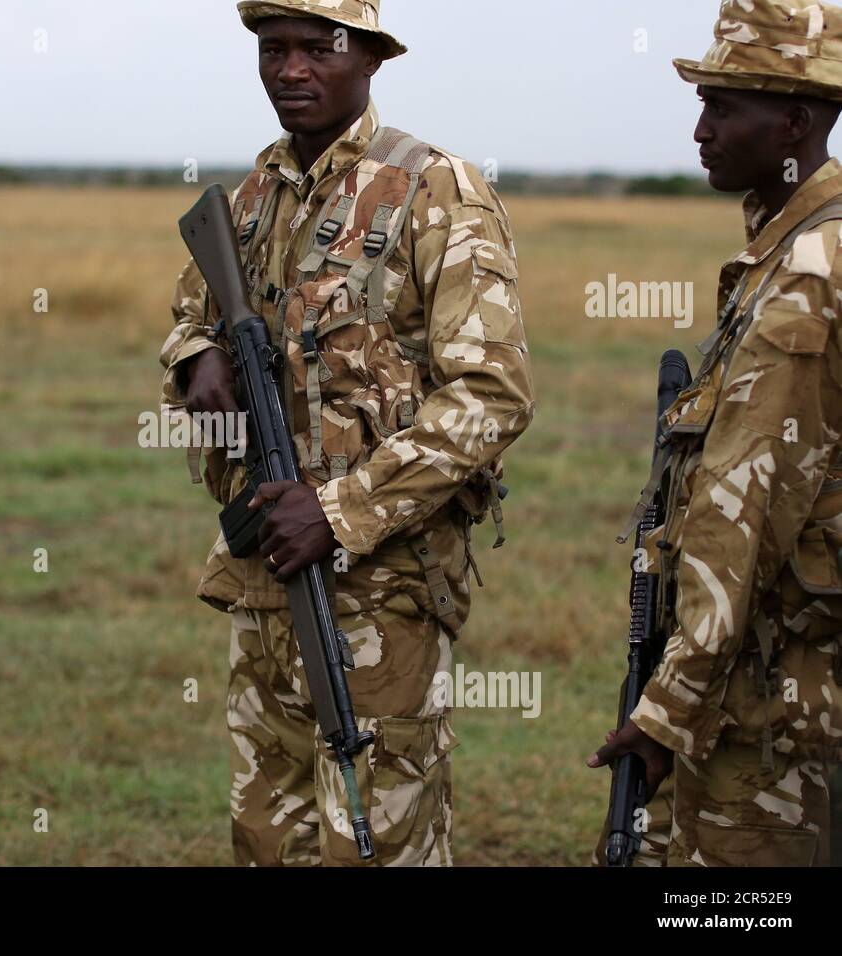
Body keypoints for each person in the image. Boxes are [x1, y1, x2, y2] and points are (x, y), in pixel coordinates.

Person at [160, 0, 534, 865]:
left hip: (382, 588)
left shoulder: (436, 188)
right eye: (272, 49)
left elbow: (492, 391)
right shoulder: (255, 198)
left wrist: (339, 511)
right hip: (265, 579)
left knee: (377, 841)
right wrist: (195, 363)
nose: (289, 70)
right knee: (266, 834)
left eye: (315, 49)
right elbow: (188, 314)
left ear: (369, 57)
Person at [589, 0, 842, 867]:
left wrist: (666, 712)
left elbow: (743, 513)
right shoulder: (791, 250)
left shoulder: (808, 274)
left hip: (768, 704)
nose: (700, 129)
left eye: (724, 107)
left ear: (796, 122)